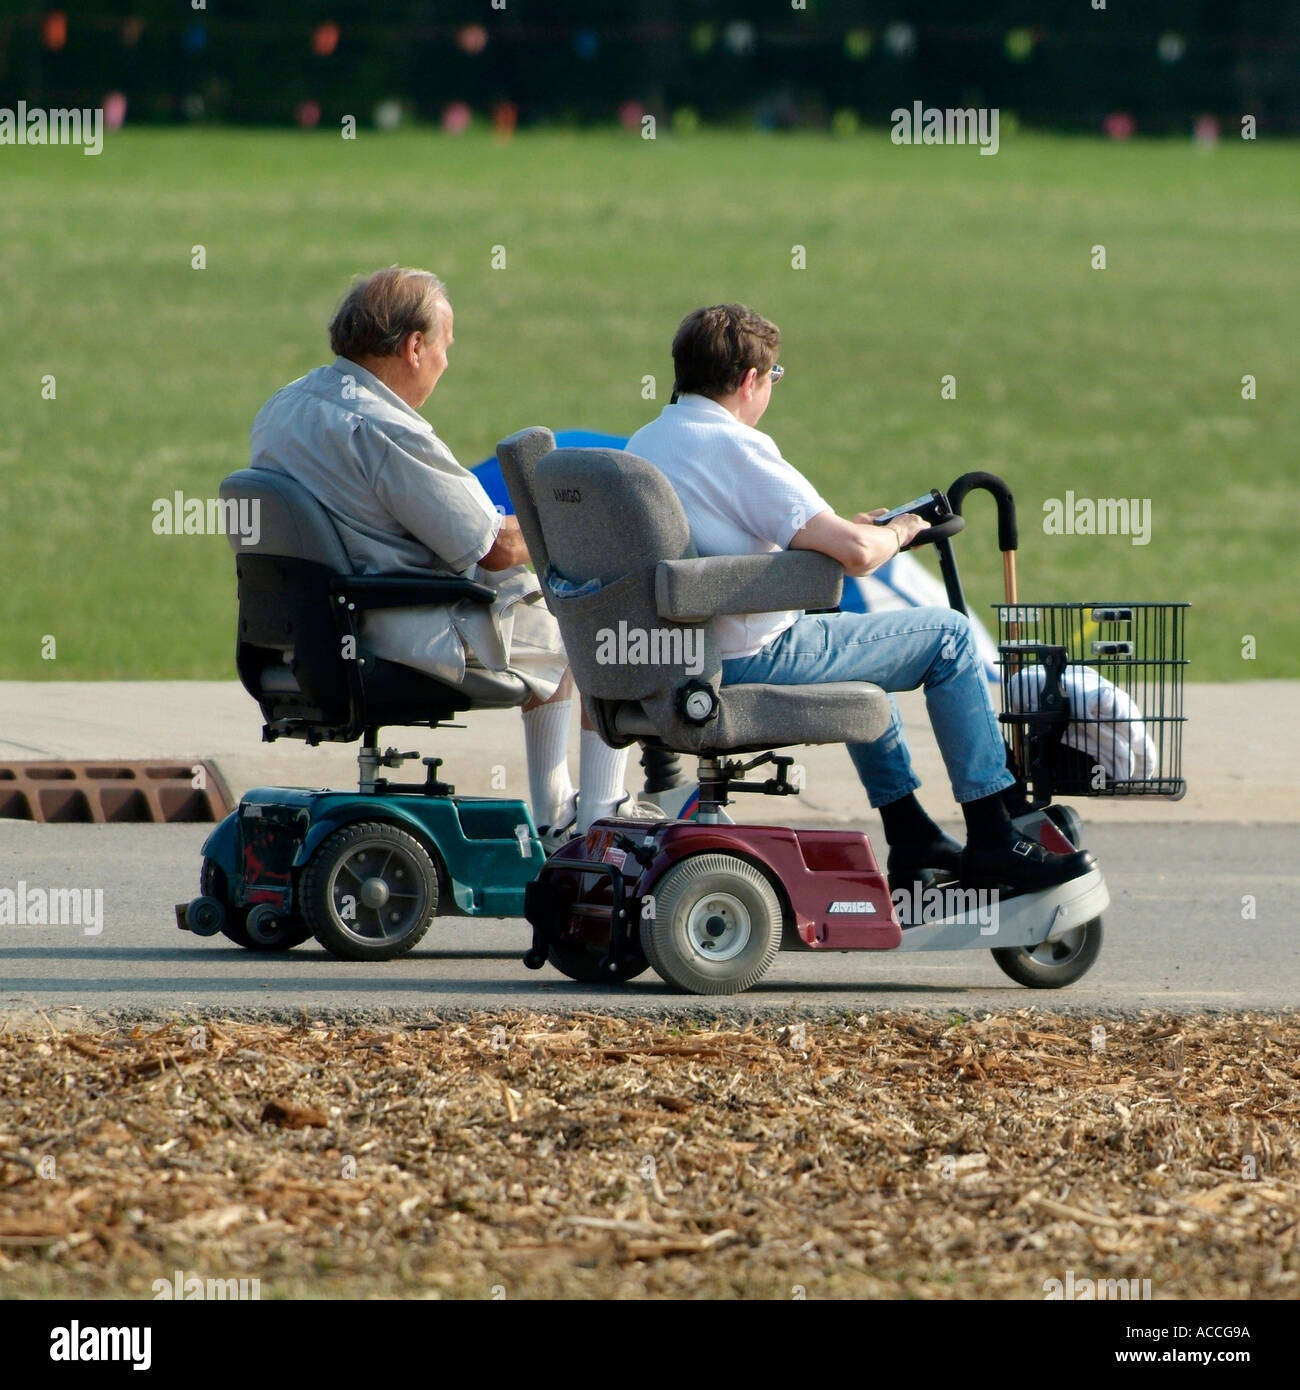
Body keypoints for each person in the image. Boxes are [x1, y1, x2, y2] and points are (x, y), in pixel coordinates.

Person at [625, 303, 1093, 892]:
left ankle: (911, 834)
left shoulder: (646, 443)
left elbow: (743, 537)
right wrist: (896, 532)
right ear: (749, 380)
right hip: (745, 656)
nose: (770, 387)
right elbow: (858, 556)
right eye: (772, 376)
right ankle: (995, 829)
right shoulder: (739, 447)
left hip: (674, 658)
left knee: (866, 655)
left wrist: (848, 530)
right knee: (947, 638)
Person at [249, 266, 655, 846]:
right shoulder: (385, 427)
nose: (446, 360)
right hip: (402, 631)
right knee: (608, 630)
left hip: (314, 628)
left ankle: (556, 812)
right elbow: (492, 548)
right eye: (445, 345)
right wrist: (577, 526)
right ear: (415, 346)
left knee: (548, 616)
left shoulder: (282, 408)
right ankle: (600, 818)